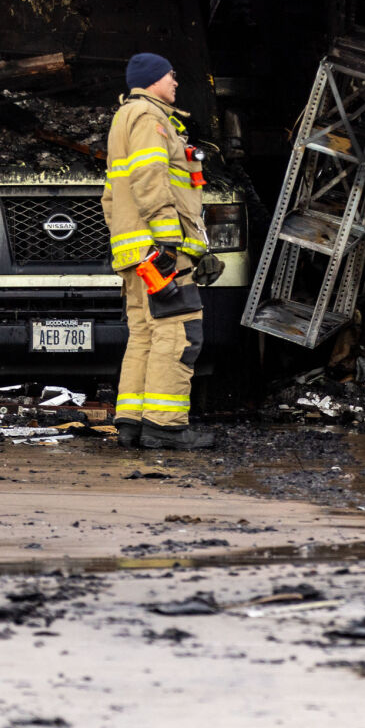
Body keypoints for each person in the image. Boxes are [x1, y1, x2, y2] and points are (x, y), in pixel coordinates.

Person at [101, 54, 222, 451]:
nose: (176, 81)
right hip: (159, 252)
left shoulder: (126, 117)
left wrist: (188, 245)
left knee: (145, 337)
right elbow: (152, 180)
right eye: (172, 75)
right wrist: (169, 244)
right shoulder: (149, 118)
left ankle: (132, 424)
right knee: (179, 333)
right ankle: (166, 428)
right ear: (153, 78)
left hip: (139, 253)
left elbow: (110, 197)